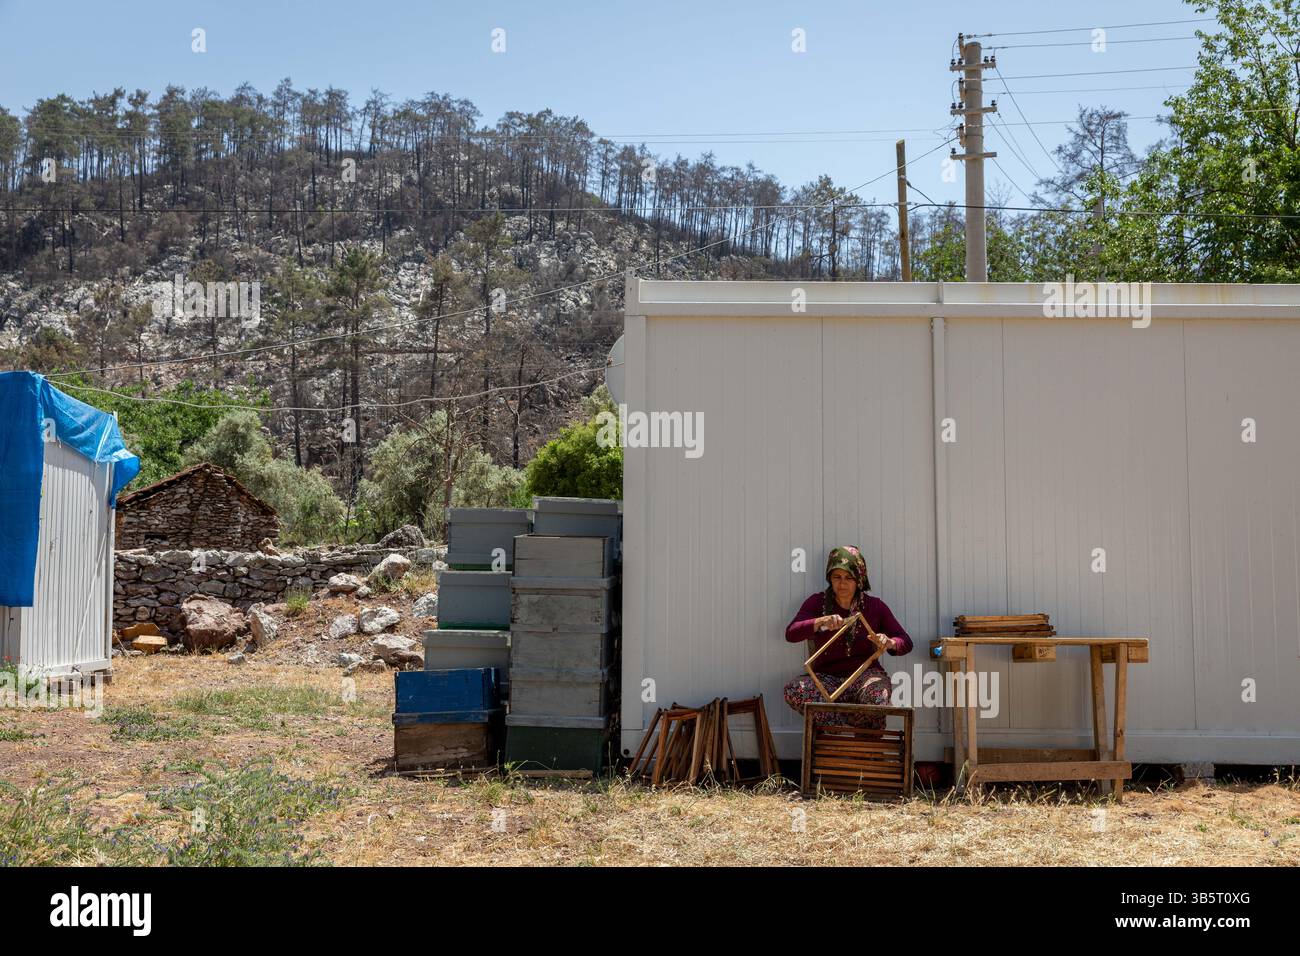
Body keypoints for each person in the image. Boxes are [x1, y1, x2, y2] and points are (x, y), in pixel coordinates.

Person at [784, 545, 912, 729]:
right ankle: (844, 728)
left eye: (849, 578)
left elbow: (906, 642)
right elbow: (791, 633)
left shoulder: (875, 606)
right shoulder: (817, 603)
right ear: (830, 578)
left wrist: (889, 642)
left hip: (864, 676)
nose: (842, 583)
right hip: (827, 679)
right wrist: (821, 621)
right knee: (794, 690)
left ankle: (865, 752)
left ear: (859, 580)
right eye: (837, 577)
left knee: (878, 695)